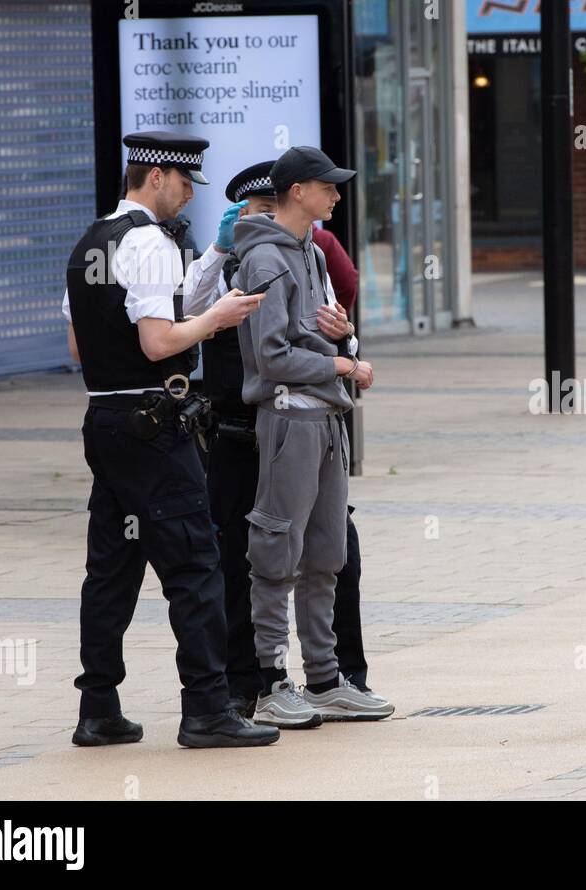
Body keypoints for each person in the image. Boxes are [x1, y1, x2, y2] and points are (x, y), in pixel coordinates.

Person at [61, 131, 278, 748]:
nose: (187, 198)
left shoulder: (89, 244)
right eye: (185, 184)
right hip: (152, 426)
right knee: (195, 563)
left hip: (103, 421)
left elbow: (78, 347)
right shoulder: (148, 243)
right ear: (156, 176)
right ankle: (207, 708)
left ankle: (98, 707)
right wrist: (215, 318)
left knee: (111, 566)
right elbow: (159, 343)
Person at [183, 160, 392, 721]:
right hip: (286, 420)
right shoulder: (266, 256)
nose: (336, 198)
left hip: (324, 419)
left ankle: (324, 679)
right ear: (297, 193)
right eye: (328, 189)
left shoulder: (313, 252)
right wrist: (344, 365)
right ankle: (272, 684)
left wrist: (342, 339)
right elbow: (272, 356)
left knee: (327, 552)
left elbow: (318, 332)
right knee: (275, 554)